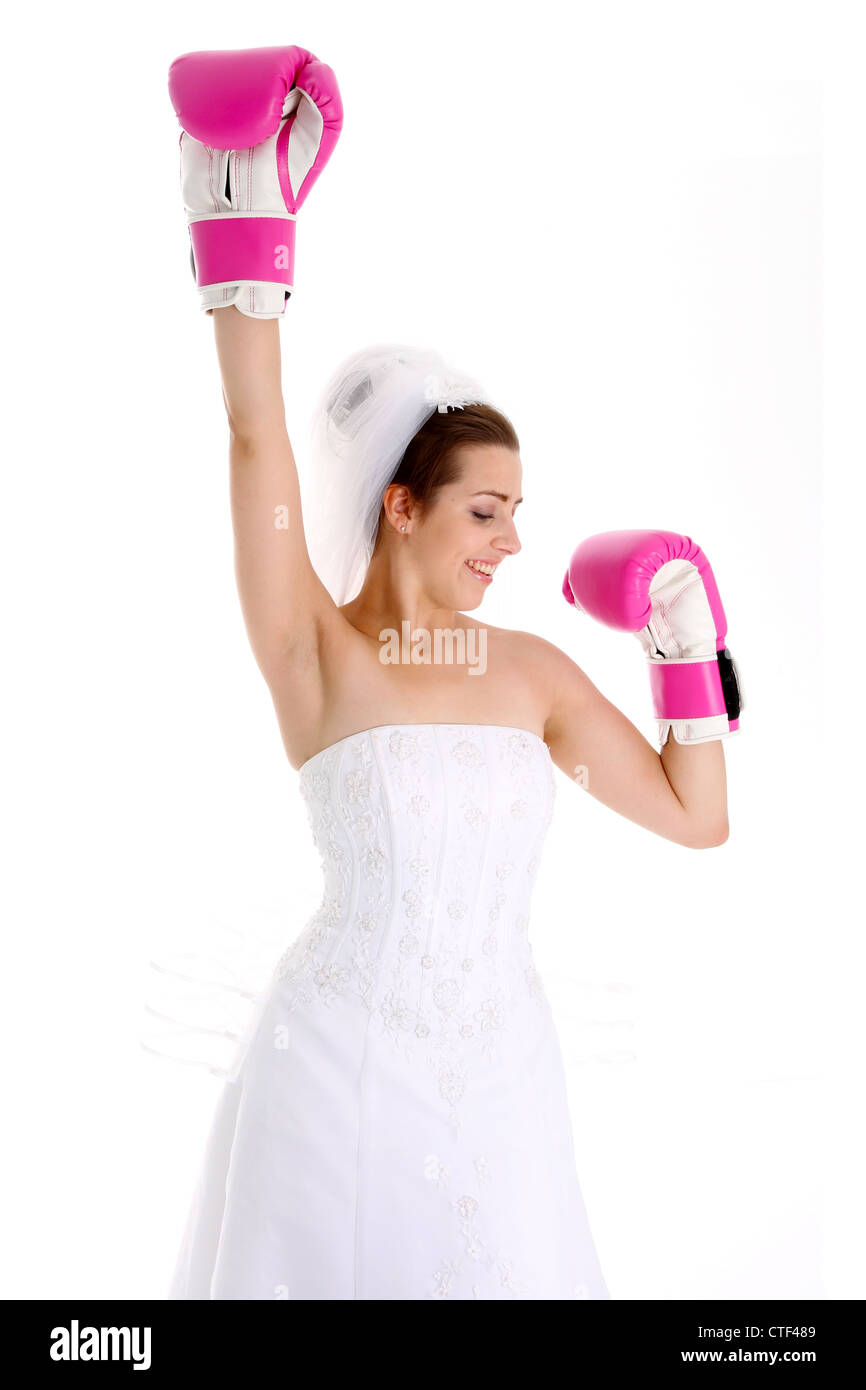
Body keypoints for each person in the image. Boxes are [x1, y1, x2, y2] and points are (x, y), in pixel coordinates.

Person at [165, 45, 736, 1301]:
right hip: (330, 1070)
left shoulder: (531, 674)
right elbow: (253, 428)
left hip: (504, 1086)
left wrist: (685, 650)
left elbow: (698, 818)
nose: (515, 543)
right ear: (403, 507)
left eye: (520, 513)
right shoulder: (311, 648)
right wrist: (243, 236)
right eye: (487, 511)